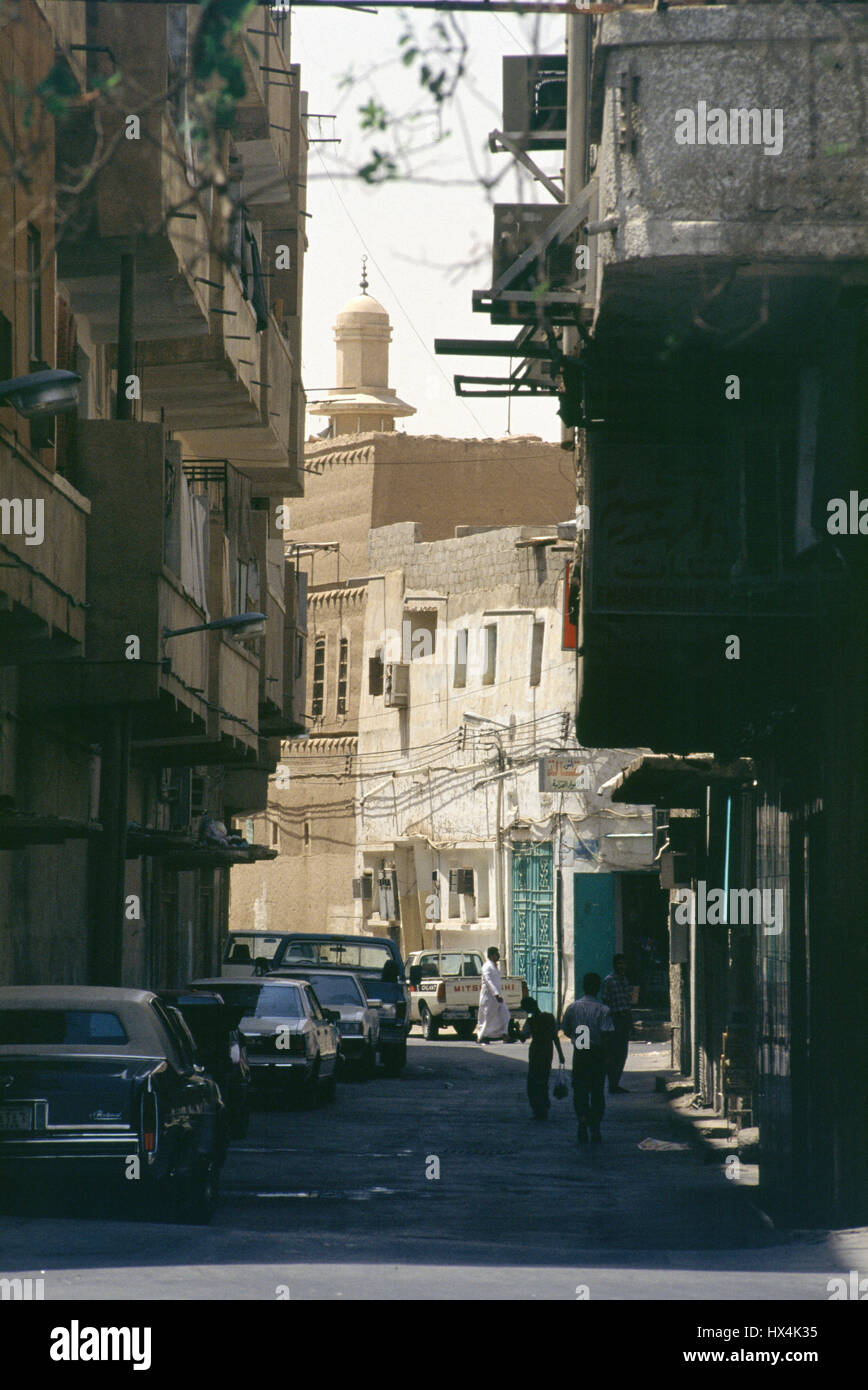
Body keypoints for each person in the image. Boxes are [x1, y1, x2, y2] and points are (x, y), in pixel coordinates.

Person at [561, 972, 614, 1144]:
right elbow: (607, 1036)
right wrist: (607, 1057)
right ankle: (595, 1126)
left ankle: (582, 1119)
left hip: (581, 1054)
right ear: (598, 988)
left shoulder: (573, 1008)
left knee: (580, 1091)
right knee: (597, 1092)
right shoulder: (603, 1010)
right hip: (596, 1054)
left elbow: (567, 1030)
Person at [520, 996, 565, 1119]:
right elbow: (555, 1037)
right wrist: (561, 1054)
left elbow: (523, 1037)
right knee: (543, 1080)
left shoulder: (530, 1022)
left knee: (533, 1083)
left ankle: (538, 1109)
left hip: (535, 1053)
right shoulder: (549, 1017)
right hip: (547, 1052)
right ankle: (544, 1106)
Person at [600, 954, 633, 1093]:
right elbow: (605, 1001)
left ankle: (615, 1083)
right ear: (615, 965)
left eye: (623, 964)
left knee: (622, 1053)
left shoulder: (625, 980)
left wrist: (630, 1022)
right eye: (619, 964)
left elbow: (627, 1002)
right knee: (613, 1053)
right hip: (614, 1018)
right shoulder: (609, 981)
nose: (621, 966)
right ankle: (611, 1083)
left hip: (624, 1018)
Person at [475, 946, 511, 1043]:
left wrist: (499, 995)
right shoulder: (487, 966)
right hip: (489, 997)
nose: (498, 955)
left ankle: (504, 1035)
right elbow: (489, 981)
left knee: (505, 1014)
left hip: (498, 996)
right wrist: (496, 995)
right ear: (491, 955)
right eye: (496, 954)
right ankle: (481, 1036)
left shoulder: (494, 966)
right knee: (487, 1017)